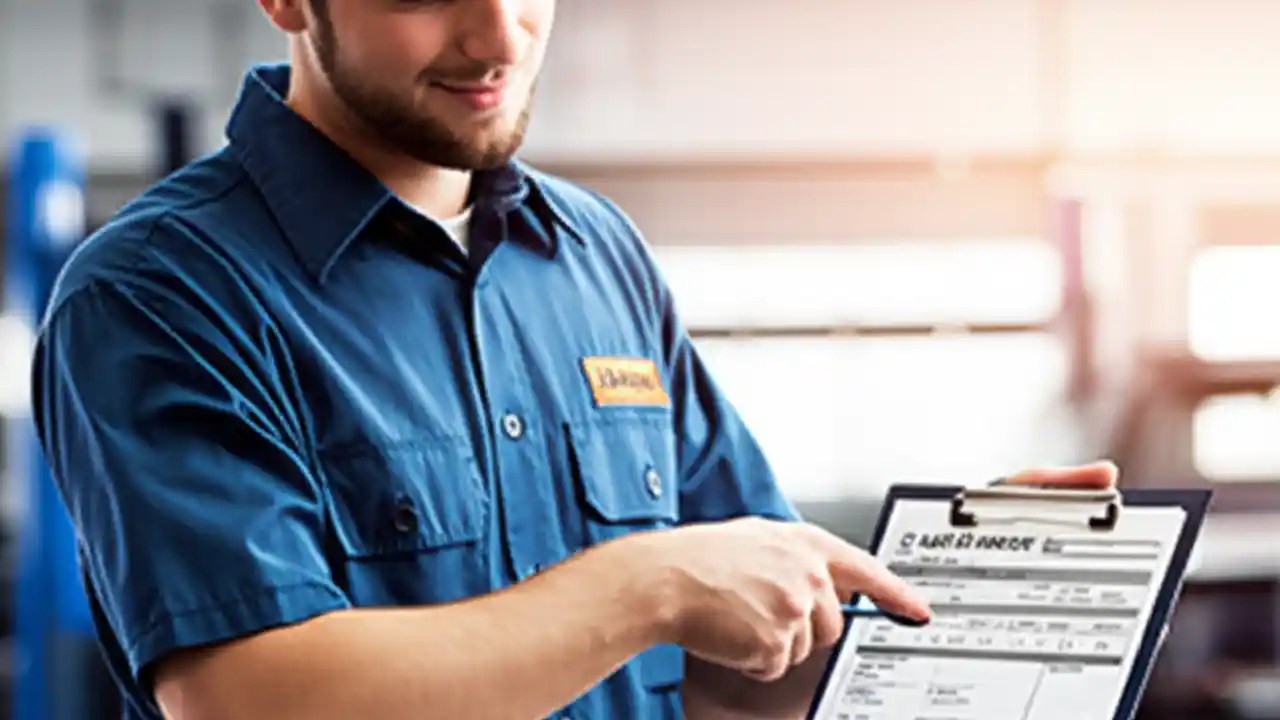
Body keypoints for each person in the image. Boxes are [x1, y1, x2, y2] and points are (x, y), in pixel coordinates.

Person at [30, 1, 1118, 718]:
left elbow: (751, 649)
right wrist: (641, 586)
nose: (498, 37)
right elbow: (248, 699)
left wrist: (954, 597)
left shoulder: (597, 257)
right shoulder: (160, 290)